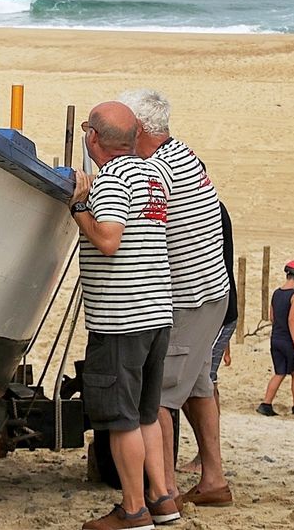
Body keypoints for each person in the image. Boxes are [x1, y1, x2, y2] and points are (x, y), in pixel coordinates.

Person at [119, 89, 232, 509]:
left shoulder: (157, 173)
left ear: (138, 130)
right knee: (198, 385)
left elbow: (127, 224)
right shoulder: (183, 155)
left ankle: (162, 492)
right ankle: (213, 480)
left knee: (159, 396)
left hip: (189, 298)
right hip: (210, 293)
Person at [71, 101, 178, 530]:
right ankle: (162, 499)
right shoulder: (155, 174)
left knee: (120, 419)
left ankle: (133, 510)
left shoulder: (114, 178)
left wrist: (81, 207)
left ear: (94, 138)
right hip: (157, 311)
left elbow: (110, 239)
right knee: (146, 413)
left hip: (122, 317)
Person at [179, 199, 238, 474]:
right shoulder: (213, 205)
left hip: (215, 311)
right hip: (216, 310)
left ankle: (208, 457)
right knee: (196, 383)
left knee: (201, 383)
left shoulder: (206, 208)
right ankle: (207, 456)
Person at [258, 260, 294, 416]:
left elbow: (272, 317)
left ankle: (266, 403)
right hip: (289, 340)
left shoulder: (276, 293)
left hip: (275, 338)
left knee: (279, 372)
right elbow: (292, 320)